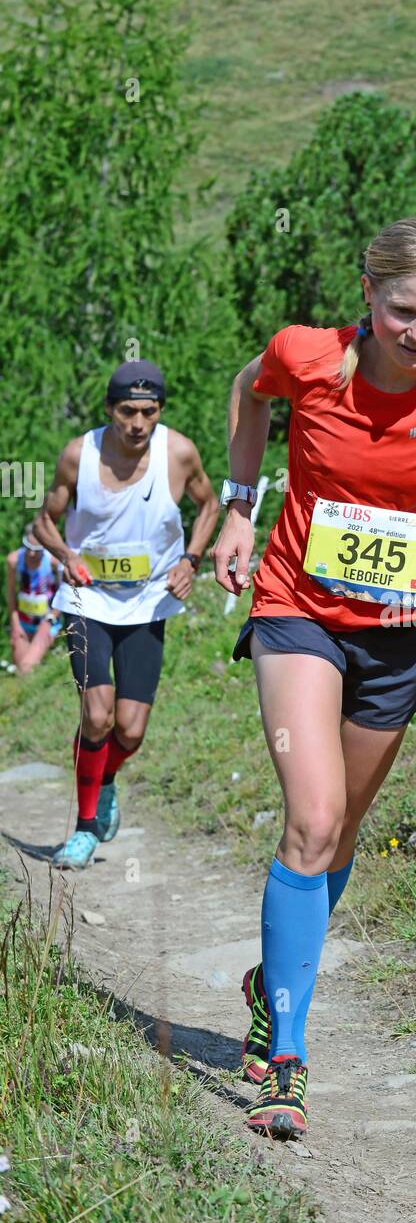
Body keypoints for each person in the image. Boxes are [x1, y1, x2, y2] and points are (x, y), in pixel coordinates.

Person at [212, 217, 416, 1140]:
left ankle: (269, 980)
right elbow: (249, 390)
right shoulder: (307, 356)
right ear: (367, 293)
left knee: (342, 832)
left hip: (401, 632)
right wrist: (240, 510)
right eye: (402, 310)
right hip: (297, 608)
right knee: (311, 819)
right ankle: (287, 1056)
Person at [33, 360, 220, 870]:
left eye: (149, 411)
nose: (138, 423)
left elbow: (208, 505)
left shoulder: (177, 452)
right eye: (127, 411)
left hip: (145, 602)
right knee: (97, 715)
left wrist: (191, 558)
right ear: (109, 410)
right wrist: (68, 557)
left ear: (159, 409)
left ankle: (105, 778)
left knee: (130, 730)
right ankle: (84, 828)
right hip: (86, 599)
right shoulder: (79, 454)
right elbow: (45, 521)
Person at [6, 522, 64, 674]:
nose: (31, 553)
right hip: (23, 621)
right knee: (21, 670)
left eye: (37, 550)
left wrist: (52, 617)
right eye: (28, 548)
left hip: (47, 621)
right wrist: (15, 623)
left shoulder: (53, 562)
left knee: (26, 668)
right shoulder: (14, 560)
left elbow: (64, 592)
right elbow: (11, 592)